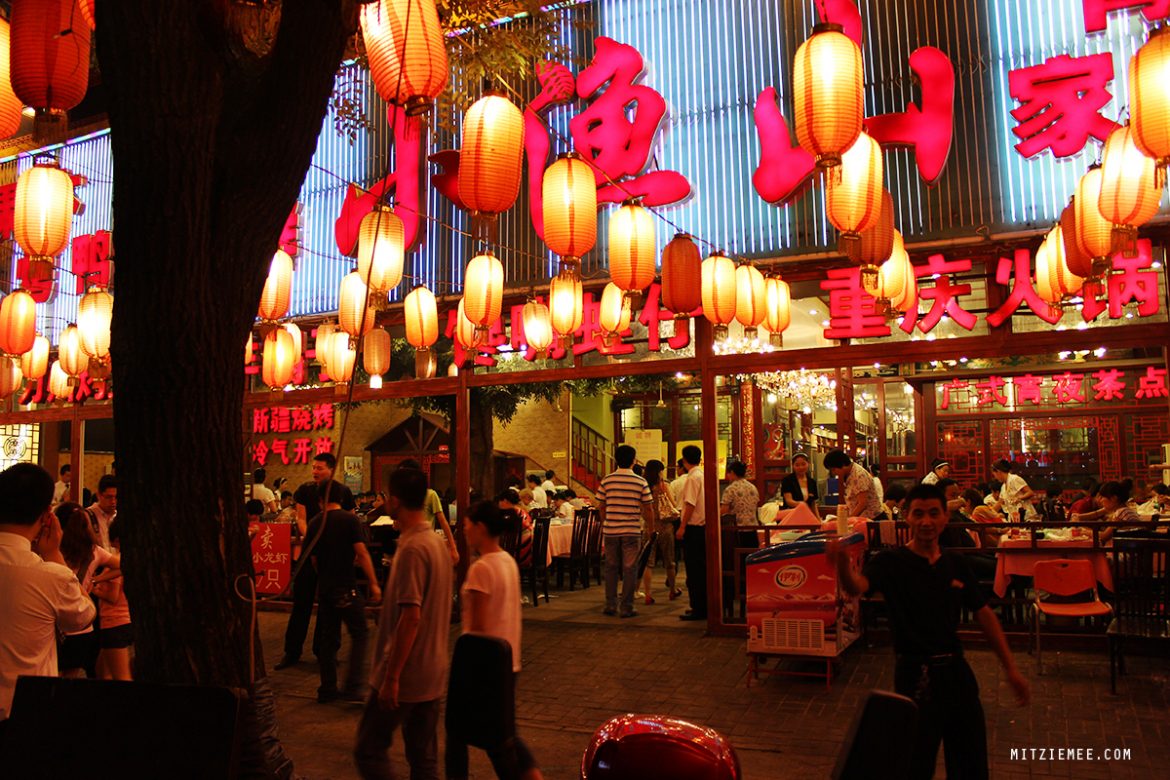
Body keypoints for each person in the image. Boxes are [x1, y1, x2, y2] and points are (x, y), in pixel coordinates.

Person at [828, 483, 1030, 780]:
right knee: (915, 764)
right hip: (914, 676)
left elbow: (985, 615)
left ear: (945, 518)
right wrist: (843, 566)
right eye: (918, 513)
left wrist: (1011, 669)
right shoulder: (890, 563)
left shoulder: (955, 563)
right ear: (907, 517)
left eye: (934, 513)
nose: (926, 521)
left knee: (971, 764)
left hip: (957, 674)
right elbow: (856, 587)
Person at [355, 467, 452, 780]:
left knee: (369, 749)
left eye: (384, 496)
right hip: (433, 671)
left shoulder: (412, 549)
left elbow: (411, 617)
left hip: (406, 674)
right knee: (423, 761)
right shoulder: (437, 544)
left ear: (393, 500)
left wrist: (392, 676)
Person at [447, 501, 544, 780]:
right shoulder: (507, 561)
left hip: (483, 668)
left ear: (479, 528)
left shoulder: (482, 568)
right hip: (508, 662)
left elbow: (476, 628)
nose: (463, 532)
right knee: (503, 735)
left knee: (466, 735)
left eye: (465, 526)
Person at [0, 463, 96, 722]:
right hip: (25, 712)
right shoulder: (51, 575)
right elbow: (84, 615)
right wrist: (54, 554)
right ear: (46, 516)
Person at [276, 452, 354, 670]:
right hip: (308, 553)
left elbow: (350, 519)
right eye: (314, 467)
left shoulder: (343, 491)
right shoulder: (304, 490)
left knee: (329, 606)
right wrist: (314, 537)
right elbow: (300, 518)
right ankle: (291, 652)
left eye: (320, 468)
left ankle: (324, 652)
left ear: (332, 468)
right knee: (301, 602)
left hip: (332, 558)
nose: (315, 471)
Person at [308, 479, 381, 703]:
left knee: (328, 639)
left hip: (327, 588)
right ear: (341, 498)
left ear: (321, 500)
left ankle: (327, 689)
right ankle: (354, 687)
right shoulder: (350, 520)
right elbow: (362, 553)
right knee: (360, 633)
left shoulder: (315, 523)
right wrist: (374, 584)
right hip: (346, 586)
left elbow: (313, 559)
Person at [56, 502, 119, 678]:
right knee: (71, 676)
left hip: (54, 622)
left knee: (48, 676)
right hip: (81, 623)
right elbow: (122, 566)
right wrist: (94, 579)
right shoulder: (94, 551)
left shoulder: (53, 550)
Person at [595, 445, 653, 619]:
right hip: (631, 531)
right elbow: (648, 508)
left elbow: (601, 505)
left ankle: (610, 605)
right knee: (630, 569)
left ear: (616, 460)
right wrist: (651, 527)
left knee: (610, 568)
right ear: (633, 460)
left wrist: (606, 521)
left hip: (611, 531)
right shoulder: (640, 481)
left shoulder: (607, 480)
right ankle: (627, 607)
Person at [92, 518, 132, 681]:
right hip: (125, 620)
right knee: (102, 672)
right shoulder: (128, 562)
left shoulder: (115, 563)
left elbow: (113, 597)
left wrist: (94, 588)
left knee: (120, 676)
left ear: (116, 540)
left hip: (114, 623)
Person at [398, 460, 459, 566]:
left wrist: (452, 546)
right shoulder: (403, 497)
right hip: (407, 544)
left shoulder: (430, 494)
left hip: (425, 544)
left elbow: (442, 520)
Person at [641, 460, 681, 605]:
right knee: (669, 561)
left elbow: (642, 509)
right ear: (659, 471)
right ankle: (672, 590)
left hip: (649, 527)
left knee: (648, 563)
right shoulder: (664, 486)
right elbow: (673, 505)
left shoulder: (643, 487)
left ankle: (647, 594)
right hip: (666, 527)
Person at [676, 445, 707, 621]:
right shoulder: (702, 475)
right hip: (702, 528)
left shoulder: (692, 478)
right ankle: (700, 606)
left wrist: (682, 527)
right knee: (700, 569)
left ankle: (698, 608)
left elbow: (690, 504)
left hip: (694, 528)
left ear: (684, 460)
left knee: (694, 570)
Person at [824, 449, 881, 520]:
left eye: (833, 469)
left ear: (842, 464)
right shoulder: (849, 475)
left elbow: (863, 503)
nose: (833, 473)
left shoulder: (859, 475)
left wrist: (847, 520)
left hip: (873, 521)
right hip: (862, 520)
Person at [496, 489, 534, 567]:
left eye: (500, 501)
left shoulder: (511, 514)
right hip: (529, 554)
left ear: (505, 501)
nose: (498, 504)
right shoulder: (522, 511)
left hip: (518, 556)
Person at [777, 452, 819, 519]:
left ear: (808, 464)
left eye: (803, 464)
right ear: (793, 466)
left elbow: (813, 503)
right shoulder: (787, 480)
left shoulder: (812, 482)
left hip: (807, 515)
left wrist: (818, 519)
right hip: (791, 515)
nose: (801, 467)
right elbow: (789, 501)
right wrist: (802, 505)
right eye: (797, 465)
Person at [87, 474, 117, 551]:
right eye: (108, 497)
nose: (113, 501)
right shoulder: (88, 515)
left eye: (116, 497)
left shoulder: (120, 516)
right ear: (98, 495)